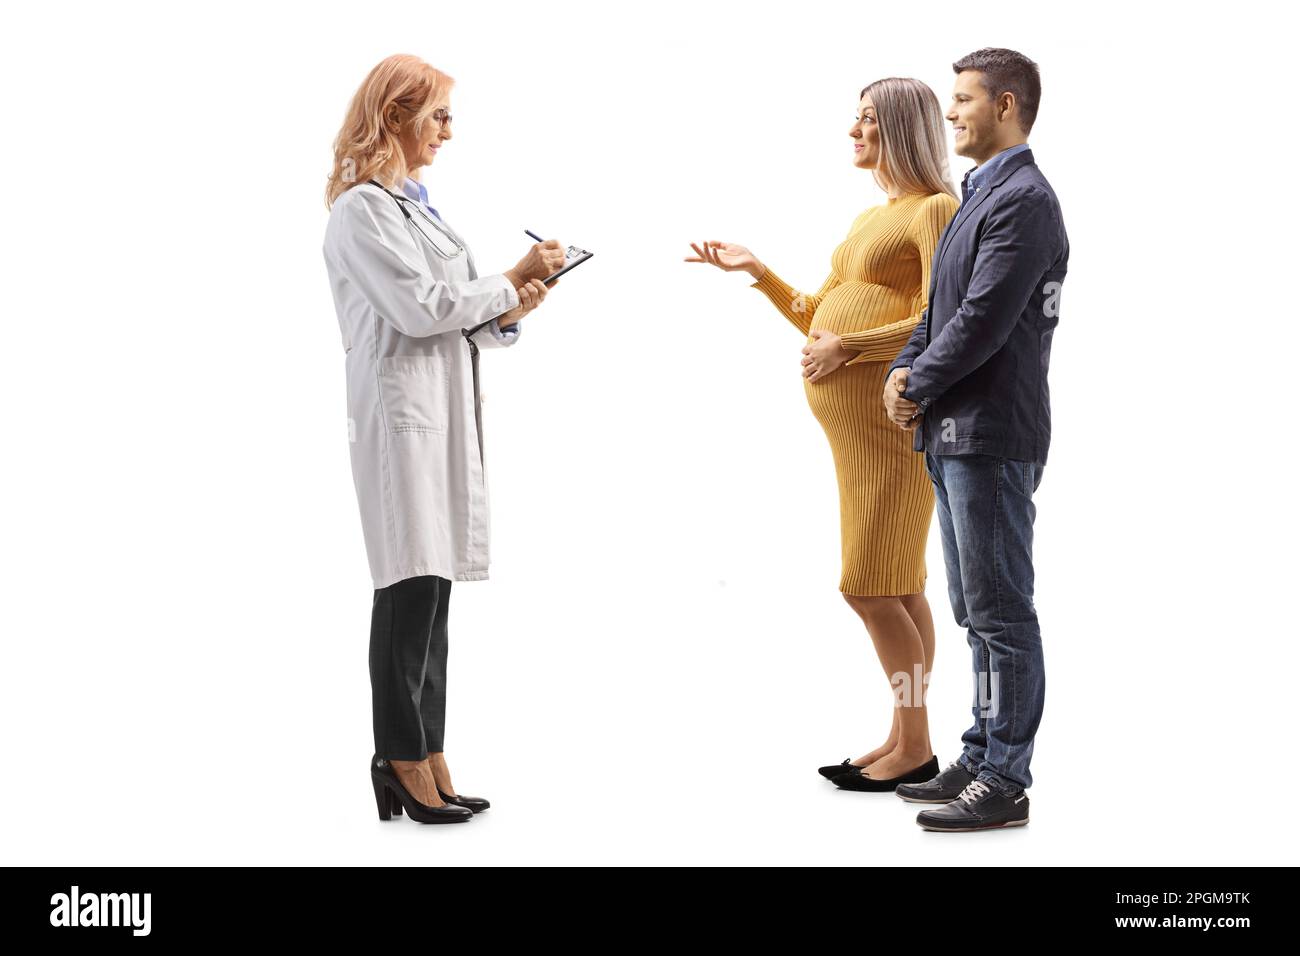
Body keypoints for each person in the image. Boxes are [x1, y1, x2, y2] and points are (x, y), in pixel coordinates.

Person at [686, 78, 959, 792]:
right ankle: (907, 737)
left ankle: (918, 743)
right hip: (857, 440)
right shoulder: (875, 216)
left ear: (901, 129)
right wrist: (758, 273)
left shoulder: (935, 209)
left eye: (867, 120)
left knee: (870, 589)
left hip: (891, 431)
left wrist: (851, 351)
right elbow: (817, 314)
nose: (853, 131)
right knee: (898, 588)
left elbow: (940, 320)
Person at [322, 54, 565, 824]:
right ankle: (397, 754)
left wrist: (513, 306)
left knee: (433, 590)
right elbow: (421, 306)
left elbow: (453, 315)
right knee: (406, 582)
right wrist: (507, 275)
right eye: (439, 117)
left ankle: (428, 749)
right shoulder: (359, 211)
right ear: (394, 115)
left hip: (436, 408)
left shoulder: (415, 208)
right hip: (400, 420)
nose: (449, 134)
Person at [883, 48, 1069, 832]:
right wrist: (902, 370)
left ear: (1006, 104)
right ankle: (980, 748)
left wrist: (915, 383)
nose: (950, 112)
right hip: (954, 431)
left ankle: (1006, 778)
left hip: (991, 430)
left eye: (962, 99)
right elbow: (938, 308)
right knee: (973, 609)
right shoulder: (978, 193)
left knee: (1001, 611)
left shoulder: (1024, 199)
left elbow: (984, 320)